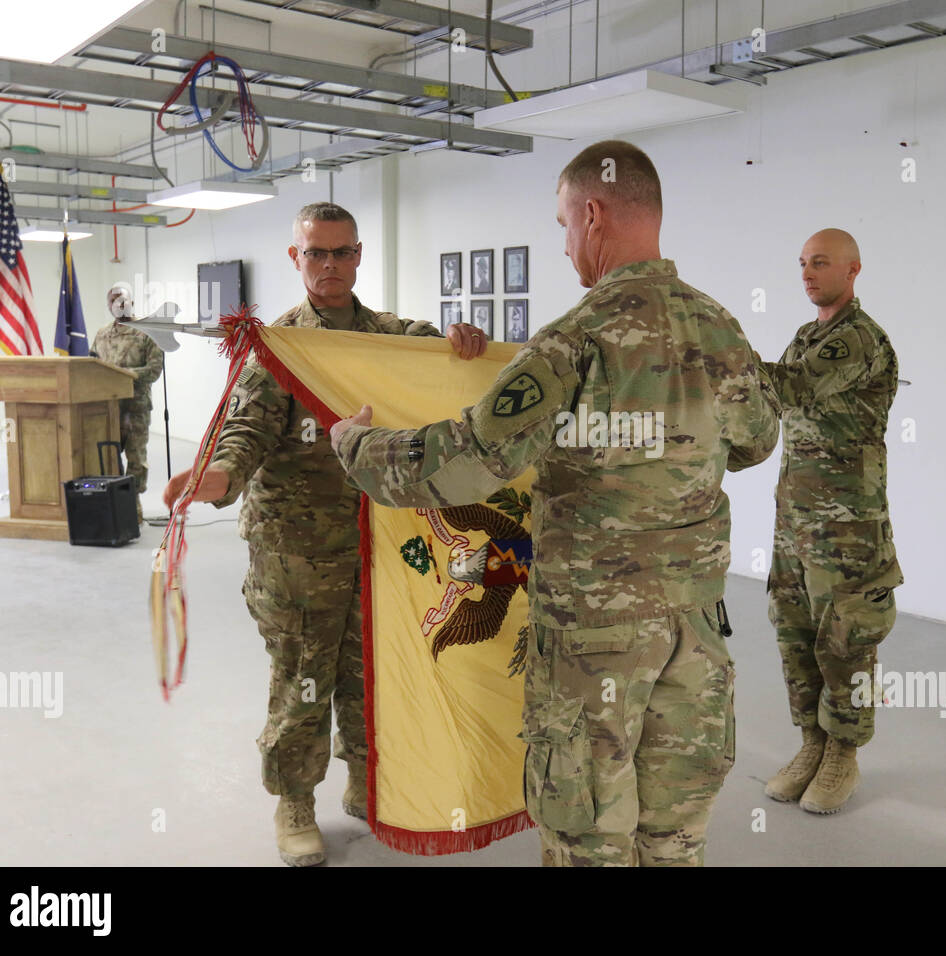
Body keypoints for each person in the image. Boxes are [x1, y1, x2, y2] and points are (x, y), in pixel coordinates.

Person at [329, 140, 781, 866]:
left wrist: (356, 447)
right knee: (675, 842)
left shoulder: (575, 340)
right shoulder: (720, 328)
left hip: (593, 647)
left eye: (565, 224)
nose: (567, 244)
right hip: (695, 634)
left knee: (589, 845)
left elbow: (465, 467)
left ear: (594, 215)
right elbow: (758, 441)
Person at [161, 201, 488, 867]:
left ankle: (367, 784)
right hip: (297, 555)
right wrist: (217, 477)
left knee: (372, 673)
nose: (329, 265)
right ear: (296, 258)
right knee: (305, 680)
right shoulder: (282, 347)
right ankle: (295, 801)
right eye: (316, 253)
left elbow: (438, 358)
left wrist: (465, 346)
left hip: (375, 546)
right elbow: (245, 429)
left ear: (359, 255)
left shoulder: (385, 336)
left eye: (341, 252)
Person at [761, 228, 902, 815]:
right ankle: (811, 743)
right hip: (795, 523)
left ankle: (844, 749)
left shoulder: (857, 340)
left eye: (819, 263)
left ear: (853, 270)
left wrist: (709, 358)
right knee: (794, 634)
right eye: (801, 263)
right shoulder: (804, 337)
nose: (807, 273)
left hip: (848, 530)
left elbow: (788, 386)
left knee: (845, 640)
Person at [91, 285, 163, 522]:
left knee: (135, 459)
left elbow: (153, 370)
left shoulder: (147, 332)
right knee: (109, 457)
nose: (118, 304)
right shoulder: (102, 334)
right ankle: (114, 502)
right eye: (113, 300)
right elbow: (91, 365)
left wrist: (122, 374)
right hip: (106, 409)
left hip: (135, 408)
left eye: (122, 299)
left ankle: (134, 507)